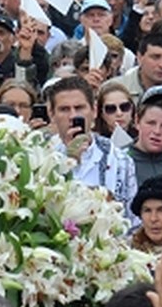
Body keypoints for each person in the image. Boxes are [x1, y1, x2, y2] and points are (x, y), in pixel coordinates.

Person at [44, 76, 137, 223]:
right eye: (64, 109)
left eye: (79, 108)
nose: (73, 115)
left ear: (94, 110)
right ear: (51, 114)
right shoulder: (42, 156)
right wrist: (69, 161)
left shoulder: (119, 159)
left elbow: (131, 219)